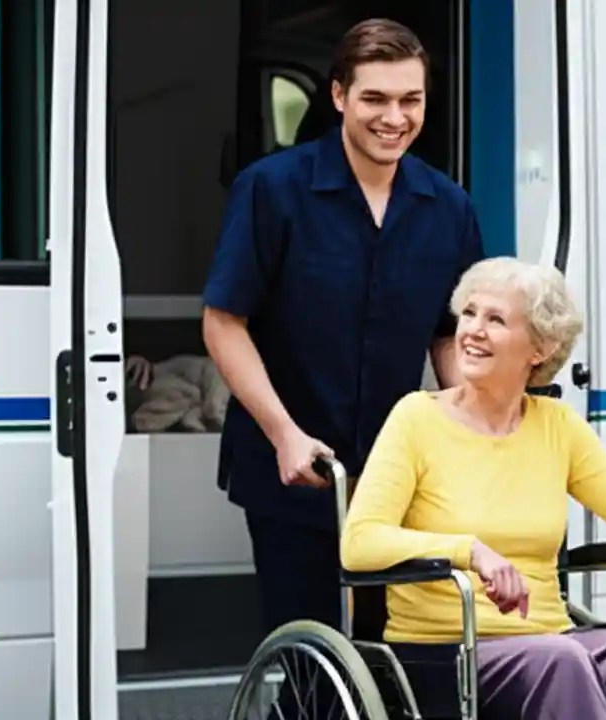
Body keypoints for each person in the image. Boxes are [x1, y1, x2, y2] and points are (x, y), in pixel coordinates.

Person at [201, 18, 484, 637]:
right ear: (338, 96)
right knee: (313, 653)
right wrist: (283, 432)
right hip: (294, 468)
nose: (395, 118)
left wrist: (469, 423)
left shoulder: (449, 206)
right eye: (375, 99)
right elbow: (223, 322)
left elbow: (449, 333)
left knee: (393, 655)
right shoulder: (271, 190)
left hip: (397, 474)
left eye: (411, 100)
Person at [340, 257, 606, 719]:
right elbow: (359, 543)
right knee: (560, 660)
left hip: (551, 641)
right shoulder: (416, 418)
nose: (473, 330)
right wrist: (469, 550)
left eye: (495, 320)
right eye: (470, 313)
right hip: (444, 653)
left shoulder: (556, 424)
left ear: (539, 349)